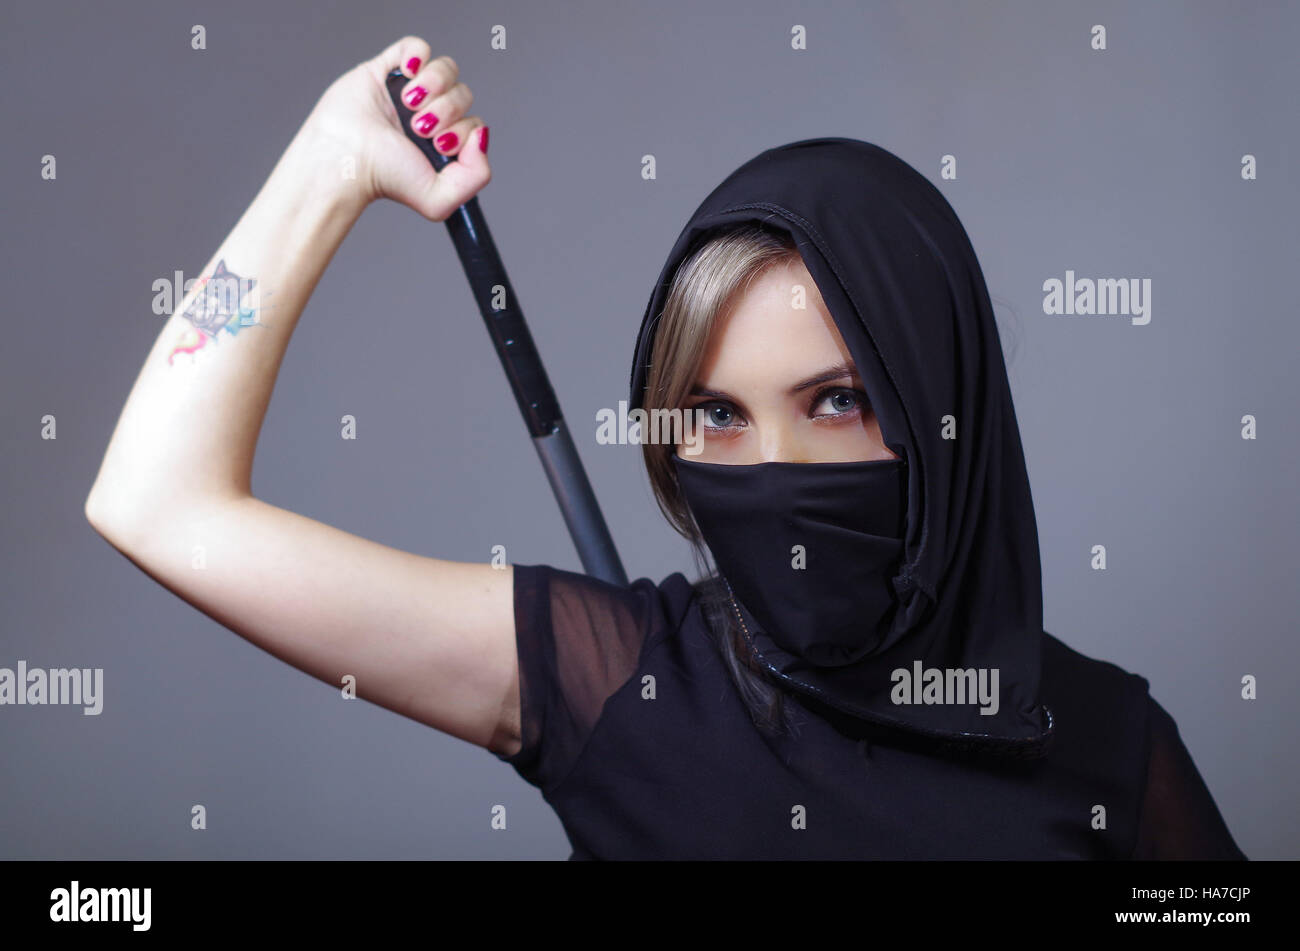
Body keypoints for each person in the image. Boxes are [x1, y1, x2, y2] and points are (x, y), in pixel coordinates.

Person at [85, 36, 1245, 860]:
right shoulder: (615, 682)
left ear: (947, 410)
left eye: (835, 401)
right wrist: (325, 165)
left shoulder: (1108, 746)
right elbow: (156, 500)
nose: (767, 469)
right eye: (718, 417)